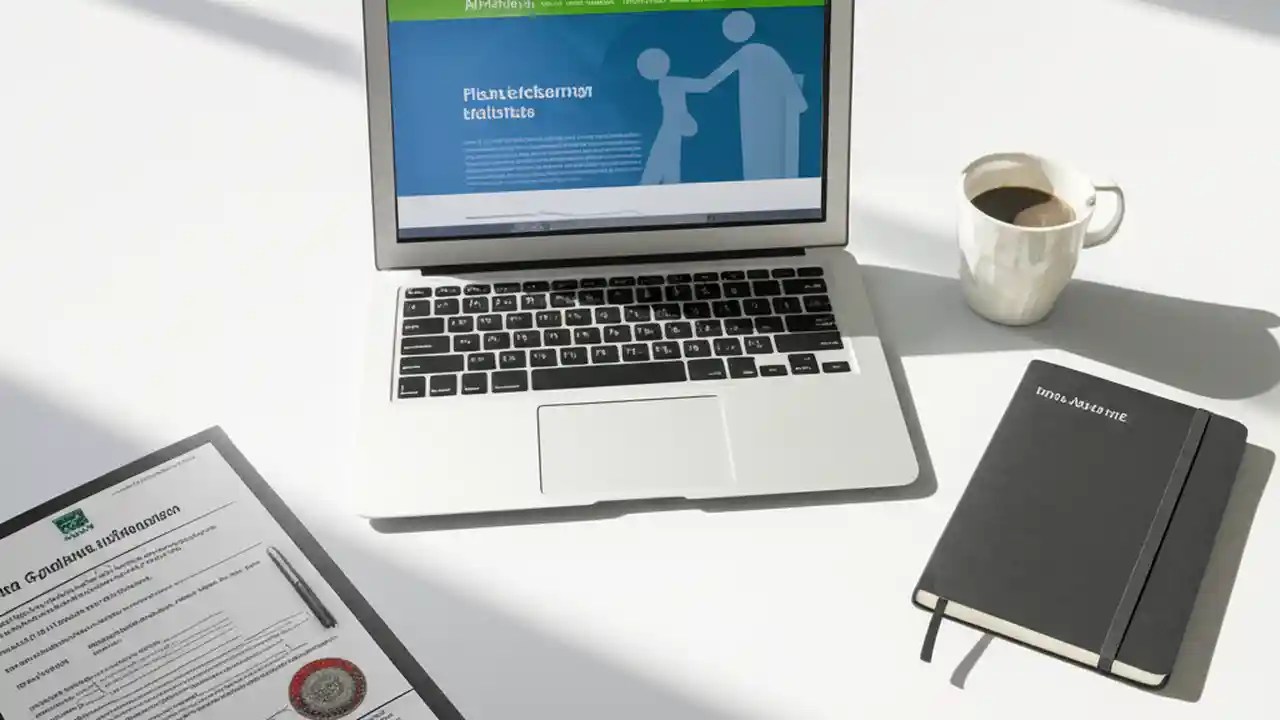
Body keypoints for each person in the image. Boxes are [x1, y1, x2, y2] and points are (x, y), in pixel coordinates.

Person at [700, 11, 808, 180]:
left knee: (770, 161)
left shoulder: (753, 51)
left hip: (768, 115)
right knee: (764, 162)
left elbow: (709, 82)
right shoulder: (757, 51)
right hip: (757, 116)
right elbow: (710, 82)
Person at [636, 48, 712, 185]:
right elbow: (705, 85)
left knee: (663, 167)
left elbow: (705, 85)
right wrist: (724, 71)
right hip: (674, 126)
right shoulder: (670, 83)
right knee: (661, 168)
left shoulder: (665, 84)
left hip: (673, 126)